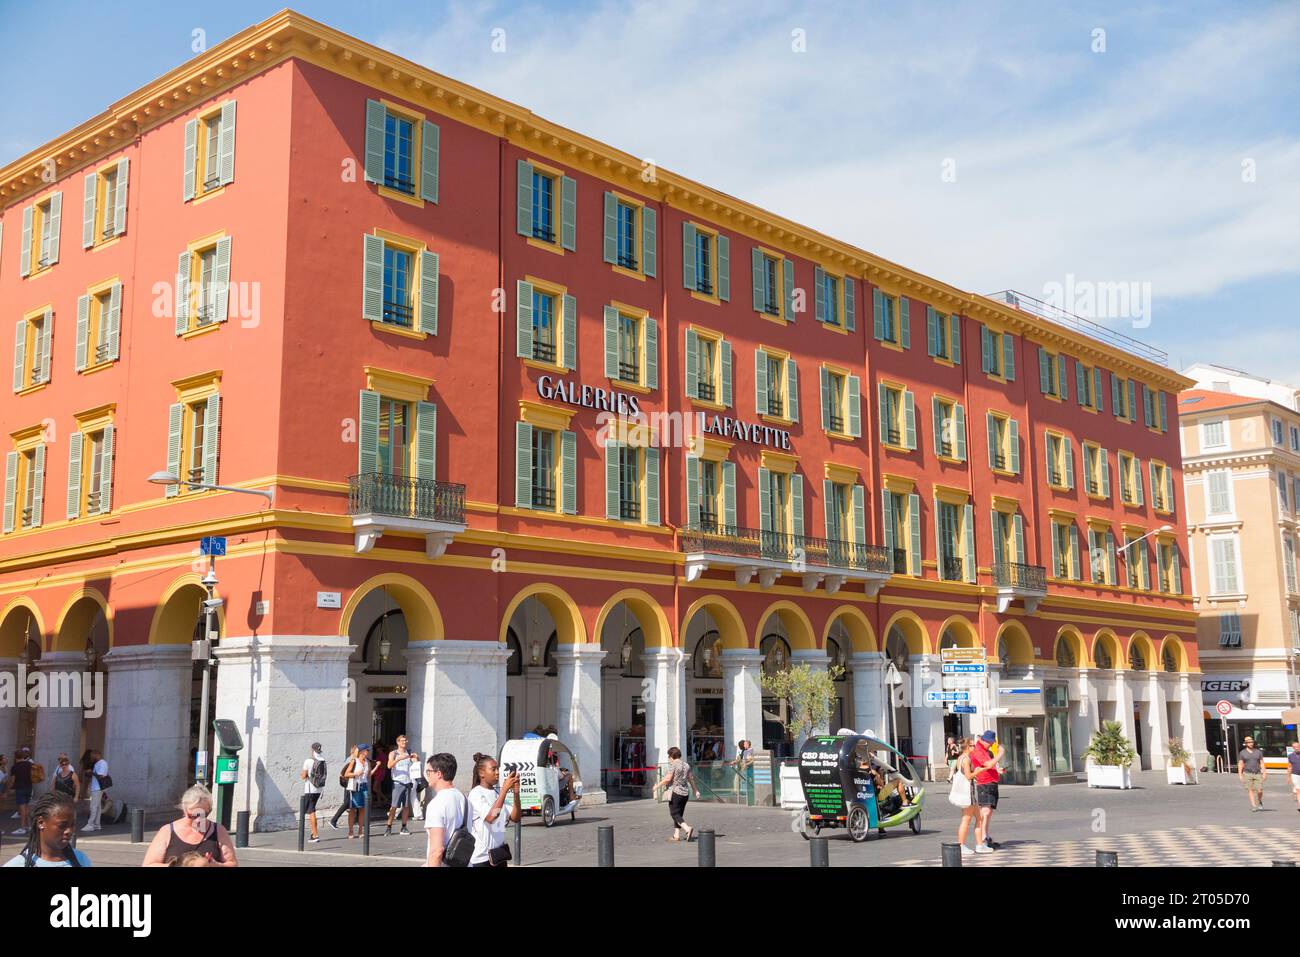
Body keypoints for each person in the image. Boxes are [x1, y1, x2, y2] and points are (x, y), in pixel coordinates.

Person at [141, 785, 238, 867]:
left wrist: (216, 865)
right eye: (194, 816)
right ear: (184, 810)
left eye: (204, 815)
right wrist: (177, 864)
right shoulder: (167, 831)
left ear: (209, 810)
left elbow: (233, 864)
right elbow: (148, 864)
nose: (199, 820)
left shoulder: (218, 831)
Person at [3, 793, 92, 867]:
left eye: (72, 825)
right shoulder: (18, 864)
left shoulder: (81, 859)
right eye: (62, 825)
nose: (69, 831)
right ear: (41, 823)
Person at [468, 753, 521, 867]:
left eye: (498, 769)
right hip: (482, 858)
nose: (497, 772)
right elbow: (491, 817)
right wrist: (505, 790)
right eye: (493, 769)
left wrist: (516, 793)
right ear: (482, 773)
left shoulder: (497, 793)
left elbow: (516, 817)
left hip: (499, 855)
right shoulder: (476, 793)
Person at [423, 752, 469, 867]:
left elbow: (437, 851)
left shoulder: (437, 804)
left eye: (428, 772)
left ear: (438, 774)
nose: (427, 775)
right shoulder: (464, 798)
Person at [652, 746, 700, 842]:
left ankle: (687, 829)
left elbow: (668, 779)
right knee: (679, 814)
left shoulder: (673, 764)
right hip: (685, 793)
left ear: (671, 756)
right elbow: (691, 778)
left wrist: (657, 786)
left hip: (675, 792)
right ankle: (676, 835)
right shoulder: (686, 765)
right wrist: (695, 790)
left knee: (674, 813)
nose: (668, 758)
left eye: (668, 756)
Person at [970, 730, 1002, 853]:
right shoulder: (978, 750)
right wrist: (1000, 753)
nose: (991, 745)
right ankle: (982, 839)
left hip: (990, 781)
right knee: (985, 811)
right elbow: (988, 764)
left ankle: (986, 836)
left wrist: (997, 770)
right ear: (986, 740)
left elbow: (989, 765)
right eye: (991, 743)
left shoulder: (985, 750)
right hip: (984, 783)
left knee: (989, 811)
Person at [952, 738, 980, 856]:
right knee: (967, 819)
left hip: (969, 793)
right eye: (973, 745)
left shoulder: (961, 758)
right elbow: (968, 776)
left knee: (979, 817)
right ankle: (961, 845)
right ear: (968, 747)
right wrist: (977, 771)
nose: (974, 748)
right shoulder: (966, 759)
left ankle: (980, 844)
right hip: (968, 793)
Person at [385, 735, 415, 836]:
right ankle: (389, 827)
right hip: (398, 782)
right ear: (398, 742)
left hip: (408, 782)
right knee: (393, 807)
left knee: (406, 807)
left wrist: (416, 759)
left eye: (406, 740)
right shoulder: (393, 753)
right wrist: (399, 759)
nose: (405, 742)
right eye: (402, 741)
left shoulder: (409, 752)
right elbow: (389, 766)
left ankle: (404, 827)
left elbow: (415, 765)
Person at [299, 742, 327, 843]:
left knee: (311, 811)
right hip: (319, 789)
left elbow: (303, 776)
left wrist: (303, 775)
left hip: (310, 789)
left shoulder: (308, 761)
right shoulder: (323, 760)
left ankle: (315, 835)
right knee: (312, 809)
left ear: (312, 750)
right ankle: (313, 834)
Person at [343, 743, 372, 838]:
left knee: (363, 809)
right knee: (353, 809)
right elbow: (346, 774)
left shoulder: (367, 762)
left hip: (364, 786)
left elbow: (368, 775)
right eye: (367, 750)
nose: (368, 752)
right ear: (362, 752)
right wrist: (356, 773)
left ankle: (360, 830)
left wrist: (375, 768)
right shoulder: (354, 761)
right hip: (356, 786)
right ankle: (350, 831)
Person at [329, 744, 359, 831]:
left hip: (350, 784)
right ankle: (333, 820)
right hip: (349, 784)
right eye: (358, 751)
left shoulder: (351, 759)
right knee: (347, 803)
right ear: (354, 752)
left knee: (352, 803)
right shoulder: (351, 760)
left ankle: (357, 821)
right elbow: (346, 773)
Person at [9, 747, 35, 835]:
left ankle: (23, 827)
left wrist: (10, 788)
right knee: (27, 807)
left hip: (20, 788)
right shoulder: (29, 764)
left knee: (22, 809)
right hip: (29, 787)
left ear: (15, 757)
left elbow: (12, 779)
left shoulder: (15, 767)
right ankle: (29, 826)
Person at [84, 749, 111, 832]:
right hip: (96, 787)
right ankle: (97, 824)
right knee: (98, 807)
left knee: (93, 806)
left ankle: (90, 824)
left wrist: (91, 772)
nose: (91, 757)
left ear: (97, 754)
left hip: (98, 788)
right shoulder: (97, 763)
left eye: (93, 755)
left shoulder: (103, 763)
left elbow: (101, 776)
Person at [1238, 736, 1267, 811]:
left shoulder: (1258, 752)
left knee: (1260, 790)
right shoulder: (1242, 753)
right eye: (1249, 742)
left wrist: (1264, 772)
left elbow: (1262, 763)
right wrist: (1240, 775)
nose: (1251, 744)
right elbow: (1240, 764)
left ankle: (1259, 801)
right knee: (1250, 790)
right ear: (1246, 744)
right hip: (1247, 773)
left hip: (1257, 773)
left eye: (1252, 742)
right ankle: (1254, 806)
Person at [1288, 741, 1300, 813]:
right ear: (1293, 748)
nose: (1296, 748)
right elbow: (1289, 767)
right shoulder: (1290, 756)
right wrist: (1288, 777)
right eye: (1294, 747)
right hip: (1295, 775)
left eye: (1297, 747)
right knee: (1299, 791)